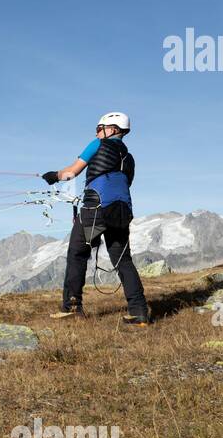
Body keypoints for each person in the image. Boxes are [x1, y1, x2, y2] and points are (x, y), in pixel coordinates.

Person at [41, 112, 149, 325]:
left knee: (77, 254)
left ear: (113, 129)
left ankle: (72, 306)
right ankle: (139, 312)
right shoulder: (129, 158)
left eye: (100, 128)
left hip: (96, 209)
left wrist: (53, 176)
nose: (97, 132)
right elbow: (125, 183)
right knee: (123, 260)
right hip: (122, 212)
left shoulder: (96, 145)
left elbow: (72, 172)